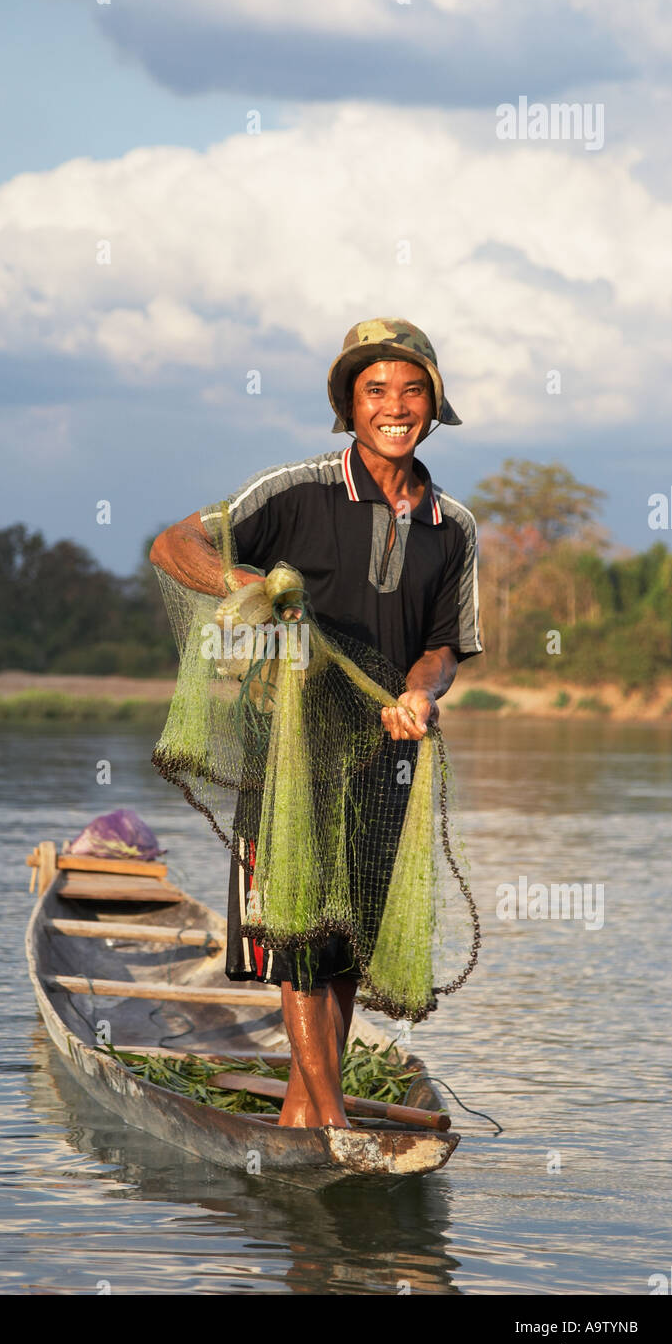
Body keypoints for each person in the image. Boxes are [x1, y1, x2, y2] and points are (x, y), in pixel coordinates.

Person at [150, 317, 483, 1129]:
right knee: (298, 930)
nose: (394, 406)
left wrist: (421, 694)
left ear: (433, 404)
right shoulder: (296, 490)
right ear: (349, 404)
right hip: (292, 748)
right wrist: (248, 585)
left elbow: (443, 645)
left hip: (389, 750)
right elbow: (174, 544)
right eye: (376, 390)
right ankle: (331, 1121)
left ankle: (305, 1115)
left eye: (411, 390)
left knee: (347, 935)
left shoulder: (453, 527)